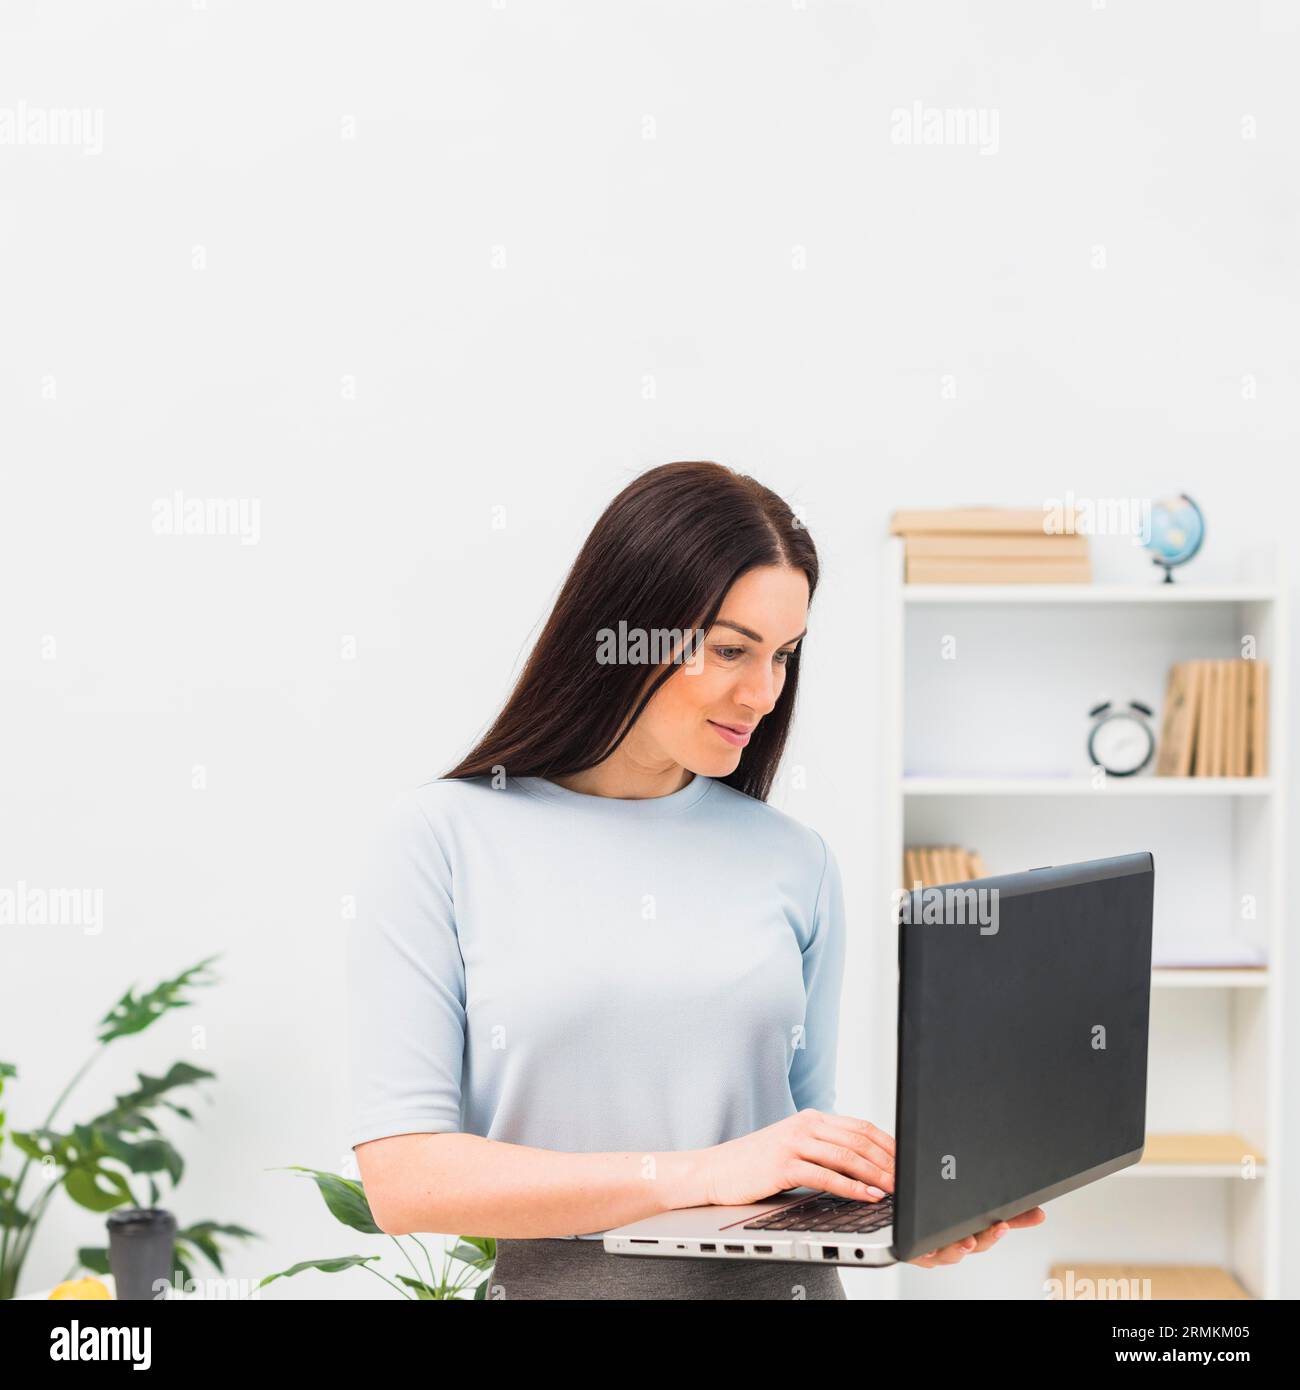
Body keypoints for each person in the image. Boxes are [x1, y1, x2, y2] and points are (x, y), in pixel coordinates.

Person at [345, 460, 1044, 1299]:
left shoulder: (796, 860)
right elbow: (405, 1180)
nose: (764, 692)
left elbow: (794, 1143)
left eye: (785, 655)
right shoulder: (442, 840)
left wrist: (896, 1218)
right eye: (730, 649)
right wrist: (698, 1173)